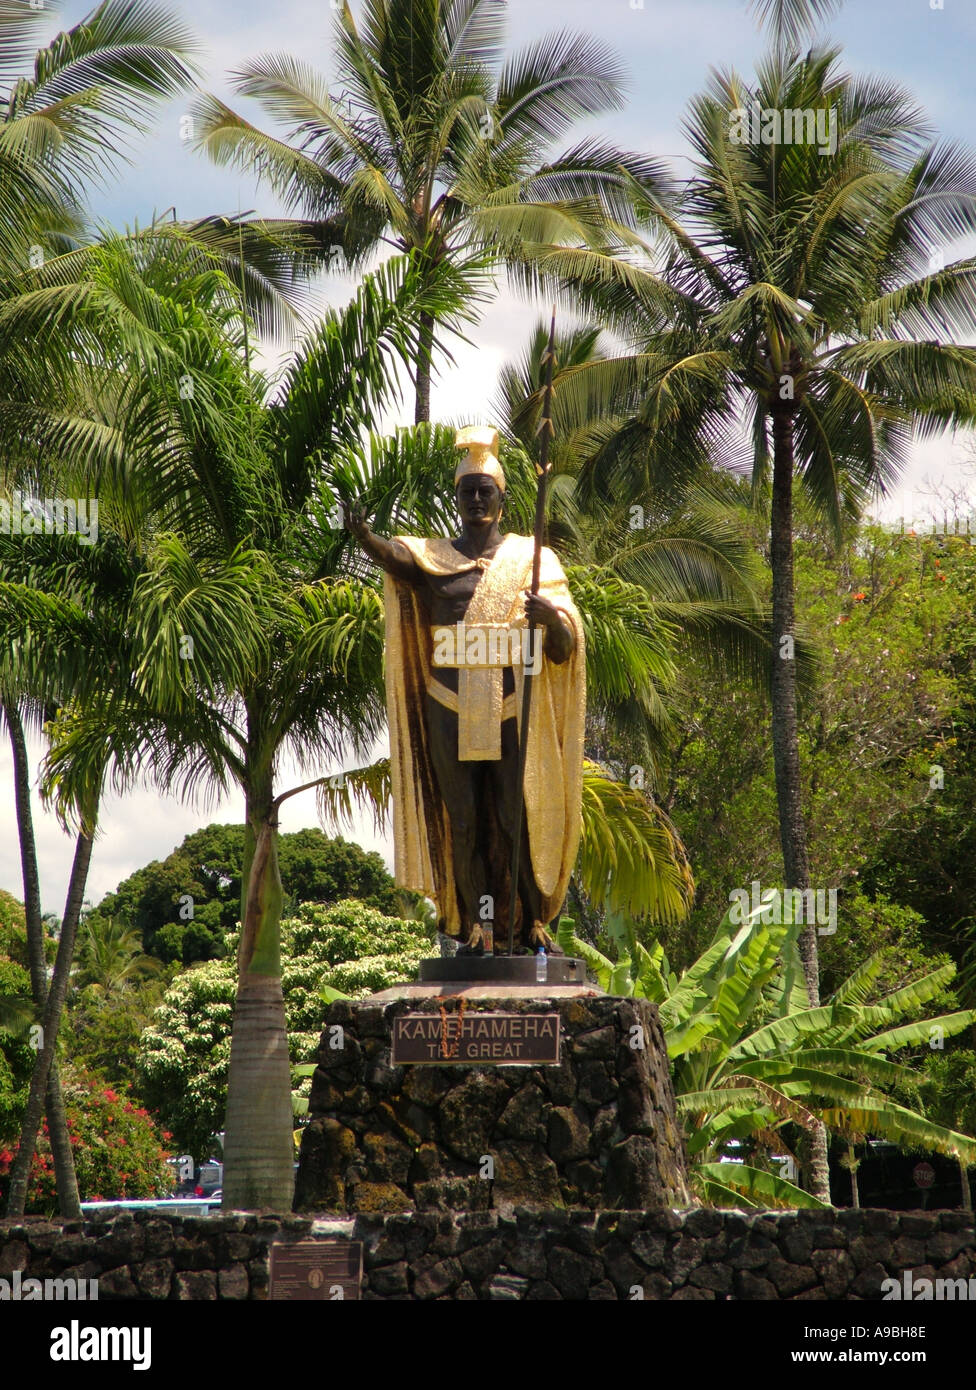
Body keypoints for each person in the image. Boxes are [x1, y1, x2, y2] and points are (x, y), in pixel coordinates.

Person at [345, 426, 585, 954]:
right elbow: (394, 557)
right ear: (456, 500)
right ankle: (478, 925)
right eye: (467, 491)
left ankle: (531, 925)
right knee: (465, 819)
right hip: (448, 705)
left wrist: (551, 619)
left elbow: (565, 649)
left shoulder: (533, 561)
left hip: (509, 707)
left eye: (485, 490)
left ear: (503, 499)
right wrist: (363, 535)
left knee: (513, 814)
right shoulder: (434, 559)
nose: (476, 499)